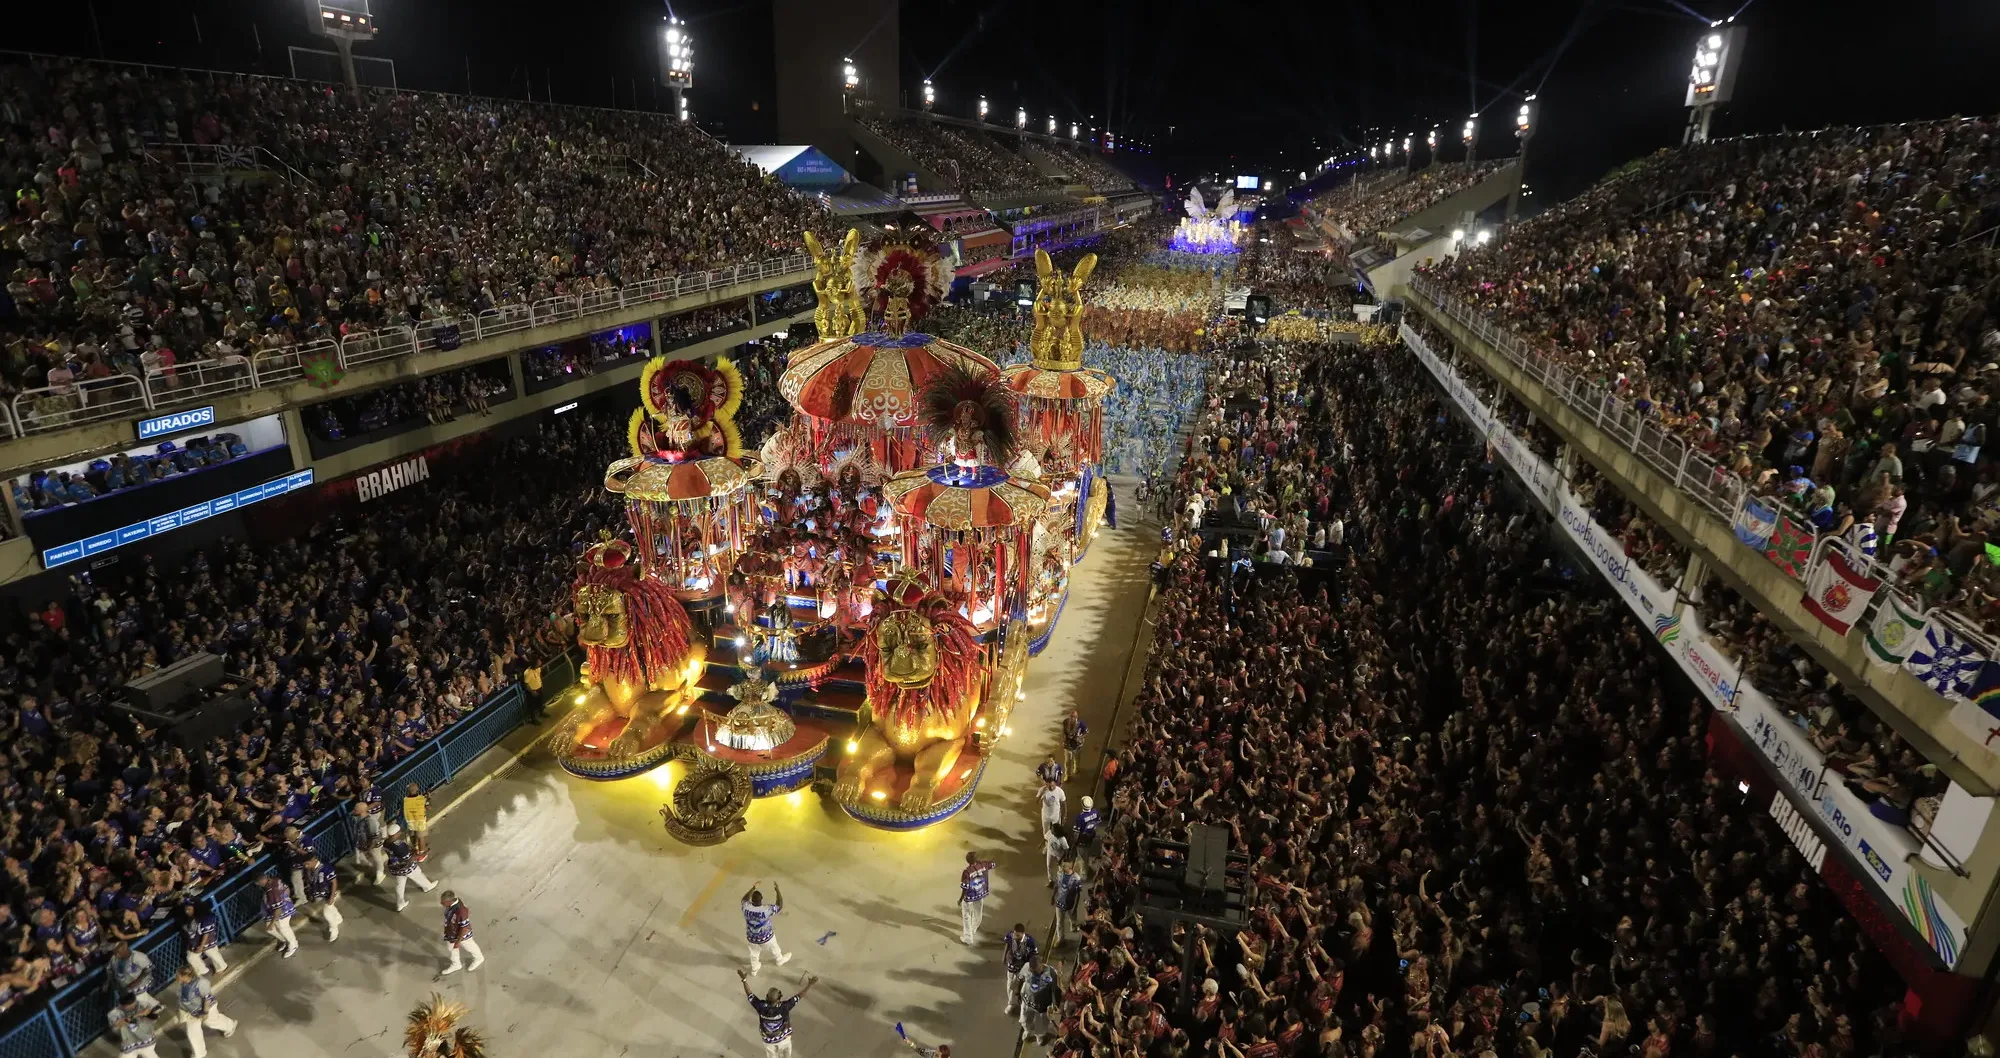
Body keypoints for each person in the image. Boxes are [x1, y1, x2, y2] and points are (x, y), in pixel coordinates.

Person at [737, 968, 818, 1058]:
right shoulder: (784, 1007)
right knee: (787, 1054)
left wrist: (744, 980)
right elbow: (799, 996)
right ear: (779, 998)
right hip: (784, 1038)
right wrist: (809, 985)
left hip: (768, 1040)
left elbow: (749, 994)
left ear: (766, 997)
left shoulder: (761, 1006)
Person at [174, 965, 238, 1058]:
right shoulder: (181, 985)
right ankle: (199, 1053)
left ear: (185, 976)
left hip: (206, 1008)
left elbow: (207, 998)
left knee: (213, 1022)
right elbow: (182, 1000)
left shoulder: (201, 983)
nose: (176, 977)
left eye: (178, 975)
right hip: (191, 1013)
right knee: (192, 1032)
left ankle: (230, 1026)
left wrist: (205, 1012)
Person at [385, 822, 438, 911]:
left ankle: (400, 903)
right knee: (418, 874)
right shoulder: (400, 846)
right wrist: (423, 854)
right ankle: (427, 886)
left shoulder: (386, 843)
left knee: (400, 885)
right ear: (395, 834)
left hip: (395, 867)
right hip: (406, 867)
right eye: (399, 832)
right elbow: (410, 858)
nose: (400, 833)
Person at [742, 881, 792, 975]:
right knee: (774, 946)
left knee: (754, 953)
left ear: (752, 899)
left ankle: (754, 968)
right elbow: (779, 905)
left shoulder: (746, 907)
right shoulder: (766, 910)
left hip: (751, 937)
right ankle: (779, 959)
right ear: (761, 899)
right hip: (766, 937)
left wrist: (753, 888)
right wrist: (777, 890)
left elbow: (744, 899)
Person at [300, 851, 344, 942]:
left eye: (307, 864)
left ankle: (334, 929)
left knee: (327, 913)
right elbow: (311, 882)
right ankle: (338, 918)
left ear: (314, 860)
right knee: (330, 908)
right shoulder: (310, 870)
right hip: (321, 894)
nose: (306, 866)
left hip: (329, 894)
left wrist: (332, 897)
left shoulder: (326, 868)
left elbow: (334, 882)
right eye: (305, 865)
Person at [439, 891, 485, 975]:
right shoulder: (452, 904)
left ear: (450, 901)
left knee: (470, 947)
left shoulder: (461, 911)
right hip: (452, 933)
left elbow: (464, 928)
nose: (441, 903)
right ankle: (456, 964)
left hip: (462, 935)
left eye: (443, 902)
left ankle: (479, 958)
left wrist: (458, 942)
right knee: (451, 948)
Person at [107, 991, 162, 1058]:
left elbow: (153, 1018)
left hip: (146, 1041)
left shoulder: (141, 1004)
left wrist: (153, 1014)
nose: (134, 1006)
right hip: (130, 1045)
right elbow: (117, 1025)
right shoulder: (114, 1013)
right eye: (131, 1005)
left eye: (134, 1003)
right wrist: (137, 1015)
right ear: (123, 1005)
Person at [1017, 955, 1058, 1043]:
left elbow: (1055, 990)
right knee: (1024, 1019)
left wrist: (1054, 1004)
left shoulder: (1052, 973)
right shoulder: (1026, 967)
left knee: (1042, 1024)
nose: (1033, 973)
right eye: (1032, 970)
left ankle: (1039, 1035)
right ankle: (1027, 1030)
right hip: (1027, 1001)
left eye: (1036, 971)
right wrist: (1018, 993)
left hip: (1042, 1005)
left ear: (1041, 965)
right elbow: (1020, 979)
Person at [959, 852, 997, 945]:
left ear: (967, 861)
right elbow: (993, 864)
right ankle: (973, 929)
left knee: (967, 916)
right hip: (980, 894)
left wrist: (961, 899)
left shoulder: (967, 871)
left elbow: (965, 887)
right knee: (978, 914)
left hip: (969, 897)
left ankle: (968, 938)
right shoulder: (983, 864)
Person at [108, 942, 158, 1012]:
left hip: (139, 985)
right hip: (123, 987)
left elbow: (149, 968)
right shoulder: (114, 958)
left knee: (139, 999)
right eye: (115, 952)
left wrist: (137, 981)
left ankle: (154, 1008)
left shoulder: (138, 957)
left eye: (118, 952)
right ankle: (155, 1007)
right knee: (135, 1002)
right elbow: (109, 969)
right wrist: (111, 981)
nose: (116, 955)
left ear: (125, 951)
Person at [180, 906, 228, 976]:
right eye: (186, 910)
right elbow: (191, 934)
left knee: (211, 952)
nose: (187, 911)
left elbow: (206, 934)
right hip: (197, 942)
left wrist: (201, 946)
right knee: (191, 957)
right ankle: (203, 971)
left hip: (208, 940)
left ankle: (222, 966)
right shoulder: (190, 919)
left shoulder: (205, 918)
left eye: (189, 909)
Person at [1002, 922, 1038, 1015]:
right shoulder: (1010, 936)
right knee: (1010, 985)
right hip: (1012, 965)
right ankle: (1011, 1003)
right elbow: (1007, 945)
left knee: (1021, 986)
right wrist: (1004, 956)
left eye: (1017, 935)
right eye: (1014, 934)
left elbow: (1033, 955)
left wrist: (1031, 967)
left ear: (1023, 934)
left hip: (1022, 967)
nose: (1015, 936)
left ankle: (1021, 1003)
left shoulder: (1030, 941)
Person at [260, 875, 300, 958]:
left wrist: (272, 923)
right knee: (270, 929)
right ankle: (284, 940)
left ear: (261, 881)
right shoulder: (275, 880)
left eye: (258, 883)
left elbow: (278, 910)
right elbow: (287, 888)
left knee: (283, 928)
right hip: (275, 910)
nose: (259, 885)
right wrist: (285, 898)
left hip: (282, 910)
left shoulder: (271, 890)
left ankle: (293, 944)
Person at [349, 800, 387, 884]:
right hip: (363, 844)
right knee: (362, 859)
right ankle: (371, 869)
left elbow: (374, 837)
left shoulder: (370, 821)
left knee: (377, 858)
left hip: (373, 845)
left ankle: (380, 874)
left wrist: (369, 847)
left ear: (362, 810)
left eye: (356, 809)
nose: (354, 811)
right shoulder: (358, 818)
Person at [1052, 859, 1083, 944]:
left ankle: (1073, 926)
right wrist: (1053, 897)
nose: (1062, 867)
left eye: (1064, 866)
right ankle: (1061, 938)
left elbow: (1078, 894)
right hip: (1060, 902)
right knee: (1059, 922)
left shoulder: (1076, 878)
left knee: (1072, 917)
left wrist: (1075, 907)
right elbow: (1056, 886)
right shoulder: (1059, 874)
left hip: (1070, 903)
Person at [404, 781, 433, 861]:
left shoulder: (405, 800)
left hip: (410, 821)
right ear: (417, 790)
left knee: (413, 836)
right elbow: (429, 807)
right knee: (421, 838)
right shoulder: (422, 799)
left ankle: (415, 849)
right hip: (420, 821)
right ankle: (421, 854)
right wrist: (429, 798)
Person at [1059, 708, 1087, 777]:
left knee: (1076, 758)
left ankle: (1076, 769)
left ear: (1076, 717)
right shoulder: (1065, 722)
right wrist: (1062, 739)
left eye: (1074, 717)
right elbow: (1063, 731)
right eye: (1071, 716)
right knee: (1067, 761)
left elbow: (1086, 732)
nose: (1072, 718)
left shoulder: (1081, 724)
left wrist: (1080, 737)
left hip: (1077, 745)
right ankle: (1067, 775)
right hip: (1067, 745)